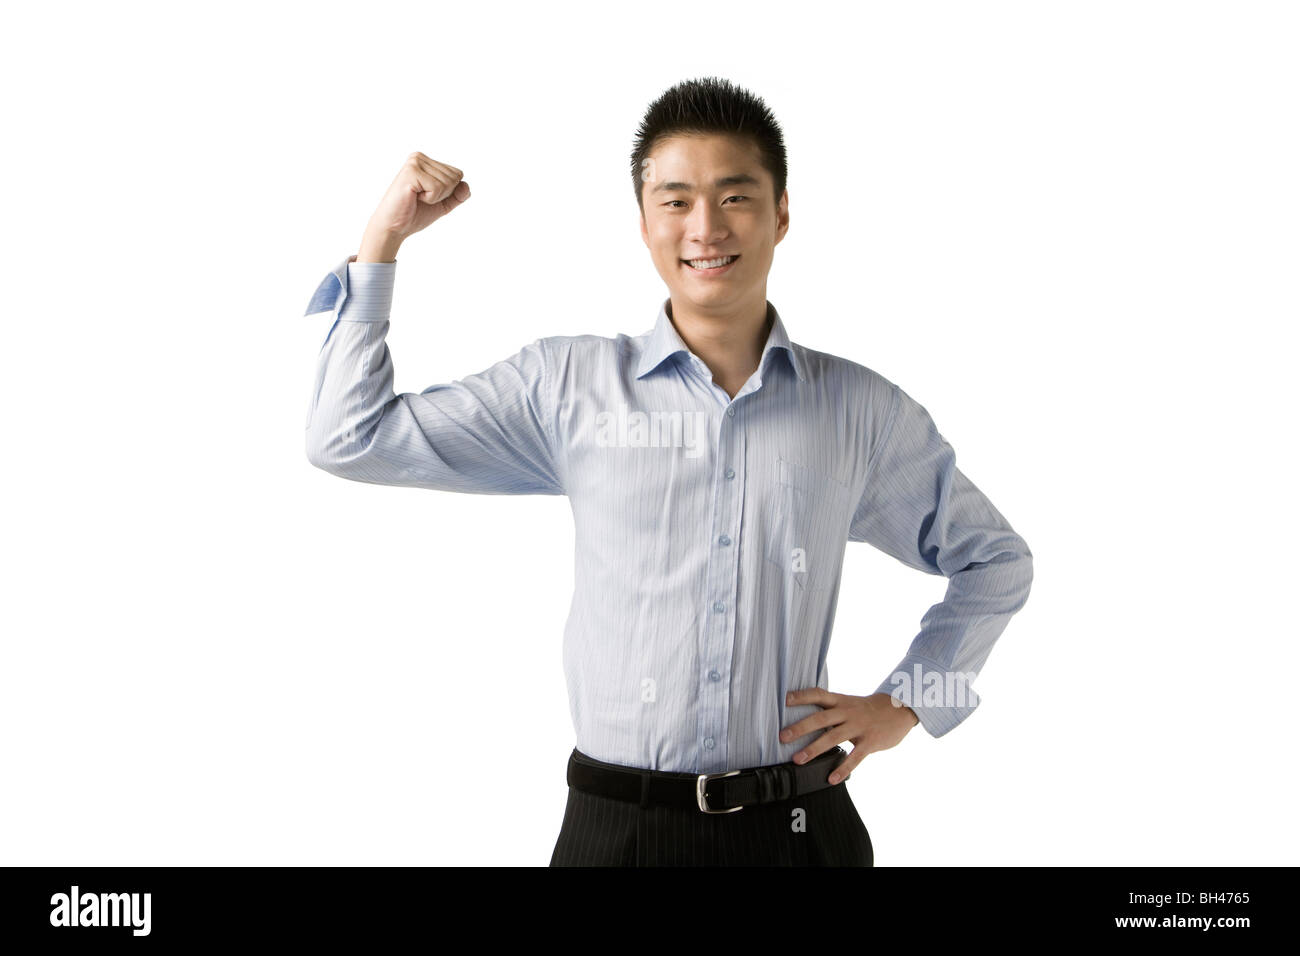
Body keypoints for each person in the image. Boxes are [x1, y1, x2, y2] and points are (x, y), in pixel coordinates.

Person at [302, 76, 1033, 866]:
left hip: (797, 831)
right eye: (676, 200)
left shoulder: (860, 412)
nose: (706, 228)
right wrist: (382, 243)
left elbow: (998, 561)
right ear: (645, 224)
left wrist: (911, 703)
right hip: (616, 831)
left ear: (782, 213)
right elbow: (348, 437)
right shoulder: (567, 389)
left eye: (735, 196)